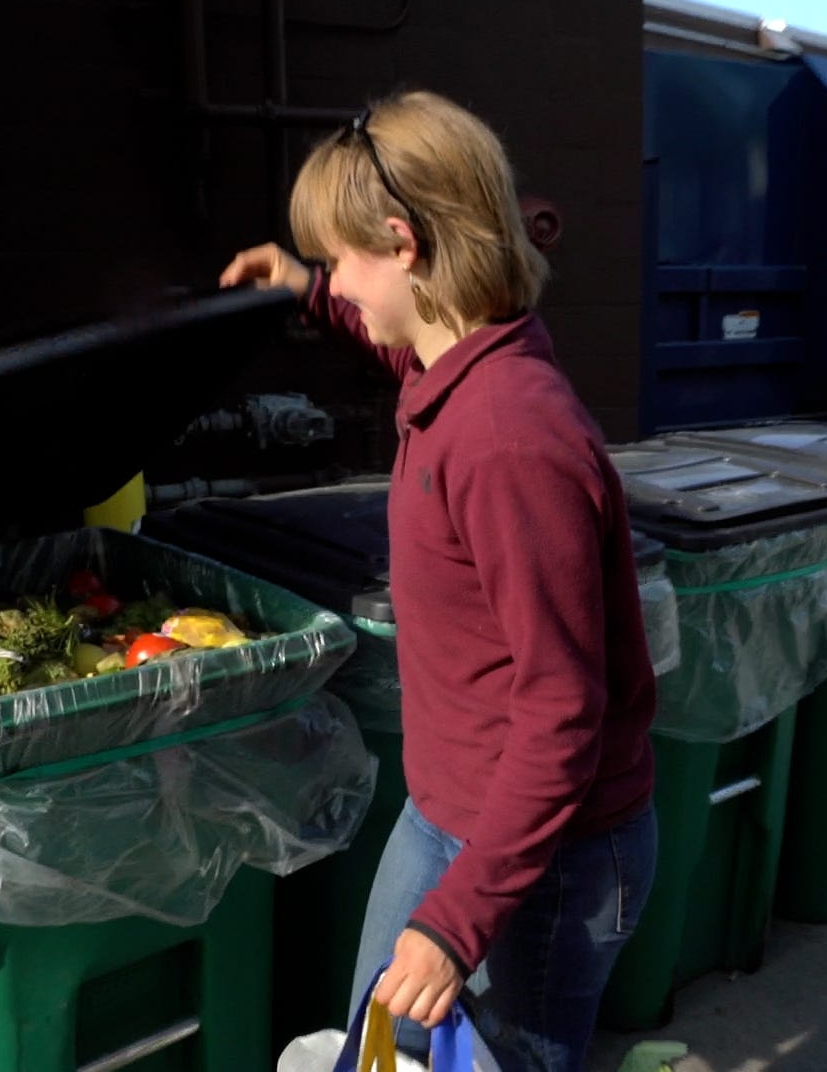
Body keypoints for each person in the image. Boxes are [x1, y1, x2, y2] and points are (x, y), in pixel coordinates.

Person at [220, 90, 658, 1071]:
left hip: (545, 856)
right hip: (451, 811)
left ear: (403, 242)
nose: (342, 284)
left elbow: (563, 712)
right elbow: (386, 333)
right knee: (378, 1056)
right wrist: (304, 284)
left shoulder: (509, 441)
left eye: (342, 259)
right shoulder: (453, 361)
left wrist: (457, 924)